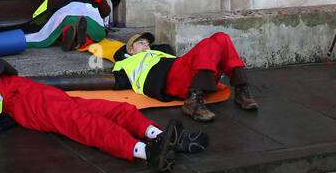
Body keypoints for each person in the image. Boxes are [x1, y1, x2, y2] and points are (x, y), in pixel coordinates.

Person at [0, 58, 209, 172]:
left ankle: (162, 136)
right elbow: (0, 66)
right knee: (89, 125)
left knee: (117, 109)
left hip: (44, 95)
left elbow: (1, 67)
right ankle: (146, 152)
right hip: (32, 104)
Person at [111, 31, 259, 122]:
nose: (146, 46)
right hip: (168, 79)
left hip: (191, 75)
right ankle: (193, 102)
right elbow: (116, 79)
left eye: (148, 44)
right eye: (141, 43)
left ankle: (241, 88)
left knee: (221, 37)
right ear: (130, 50)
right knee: (208, 44)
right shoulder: (126, 62)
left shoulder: (158, 52)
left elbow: (166, 50)